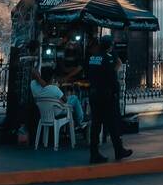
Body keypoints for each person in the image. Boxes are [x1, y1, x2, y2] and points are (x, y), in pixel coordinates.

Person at [86, 35, 133, 164]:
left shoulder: (93, 58)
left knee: (96, 126)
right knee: (113, 124)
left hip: (94, 94)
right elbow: (112, 78)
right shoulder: (108, 58)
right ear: (109, 46)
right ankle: (119, 150)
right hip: (106, 96)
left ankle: (94, 153)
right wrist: (116, 91)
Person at [30, 67, 85, 138]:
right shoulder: (54, 89)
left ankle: (77, 123)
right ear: (51, 78)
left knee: (69, 102)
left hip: (43, 112)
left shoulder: (33, 85)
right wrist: (56, 87)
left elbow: (33, 72)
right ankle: (80, 122)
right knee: (74, 98)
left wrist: (39, 78)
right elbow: (65, 100)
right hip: (57, 112)